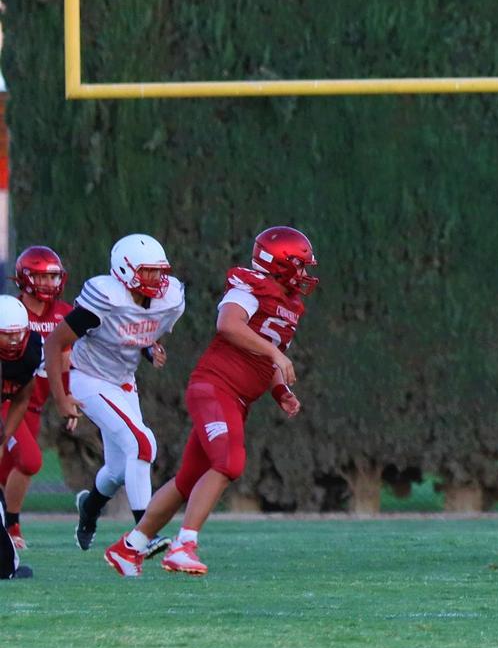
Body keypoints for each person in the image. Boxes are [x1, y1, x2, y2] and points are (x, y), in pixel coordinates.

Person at [112, 228, 316, 575]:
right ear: (278, 263)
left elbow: (267, 359)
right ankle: (183, 545)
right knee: (229, 462)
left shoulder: (289, 305)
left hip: (235, 399)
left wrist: (280, 390)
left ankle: (129, 547)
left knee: (187, 481)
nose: (304, 274)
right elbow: (229, 325)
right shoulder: (250, 285)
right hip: (215, 387)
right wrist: (275, 355)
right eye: (299, 266)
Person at [48, 234, 187, 559]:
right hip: (88, 379)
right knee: (143, 444)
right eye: (148, 271)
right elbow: (55, 344)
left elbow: (139, 332)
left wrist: (150, 350)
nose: (157, 279)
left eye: (159, 271)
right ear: (124, 271)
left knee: (118, 468)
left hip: (124, 383)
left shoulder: (169, 299)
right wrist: (62, 397)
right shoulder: (106, 297)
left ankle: (89, 506)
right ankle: (144, 533)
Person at [1, 245, 70, 563]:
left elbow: (69, 360)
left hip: (30, 403)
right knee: (30, 460)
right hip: (6, 400)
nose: (49, 284)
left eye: (53, 277)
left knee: (6, 473)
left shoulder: (63, 315)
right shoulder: (10, 312)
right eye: (42, 277)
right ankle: (12, 529)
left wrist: (65, 399)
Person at [0, 296, 49, 578]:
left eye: (19, 333)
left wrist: (5, 434)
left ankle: (7, 565)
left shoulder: (31, 349)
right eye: (7, 336)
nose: (15, 341)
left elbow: (23, 394)